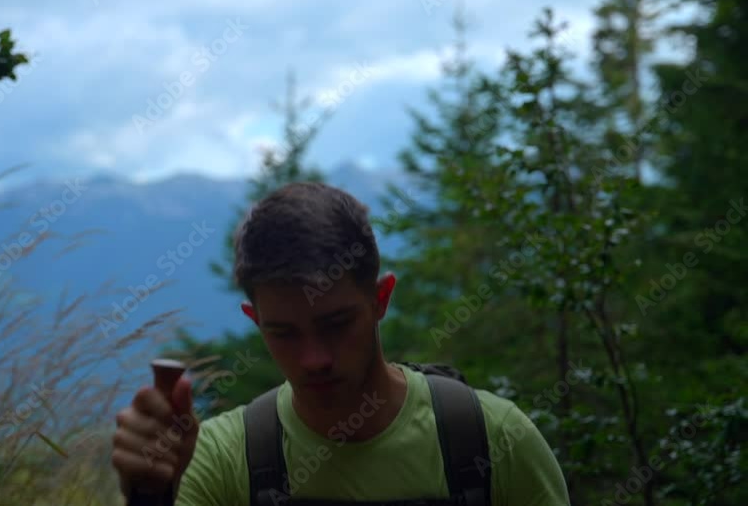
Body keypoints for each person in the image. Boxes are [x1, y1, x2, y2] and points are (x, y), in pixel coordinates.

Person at [111, 182, 570, 505]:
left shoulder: (496, 440)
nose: (314, 359)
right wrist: (150, 494)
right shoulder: (218, 461)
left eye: (335, 324)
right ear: (256, 322)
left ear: (380, 300)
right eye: (283, 333)